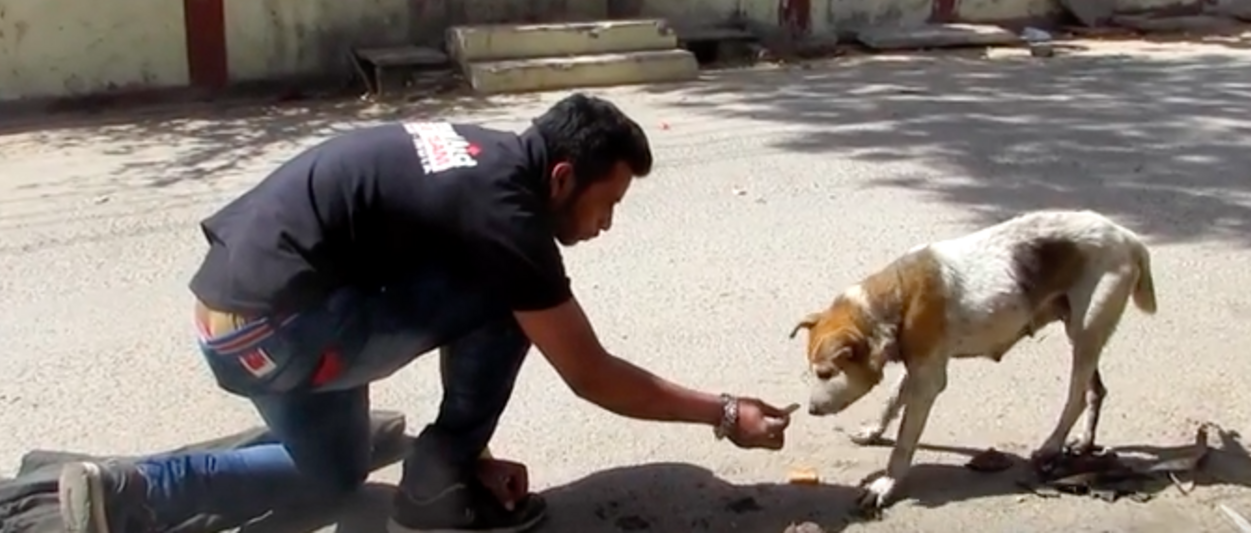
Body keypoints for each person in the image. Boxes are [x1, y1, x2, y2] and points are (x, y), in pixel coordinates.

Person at [56, 92, 795, 533]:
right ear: (563, 177)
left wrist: (478, 451)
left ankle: (131, 490)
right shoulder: (509, 218)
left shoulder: (484, 156)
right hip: (284, 330)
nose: (607, 225)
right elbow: (590, 374)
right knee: (517, 303)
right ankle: (435, 486)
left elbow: (425, 272)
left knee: (333, 474)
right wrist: (725, 412)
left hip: (226, 320)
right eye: (608, 203)